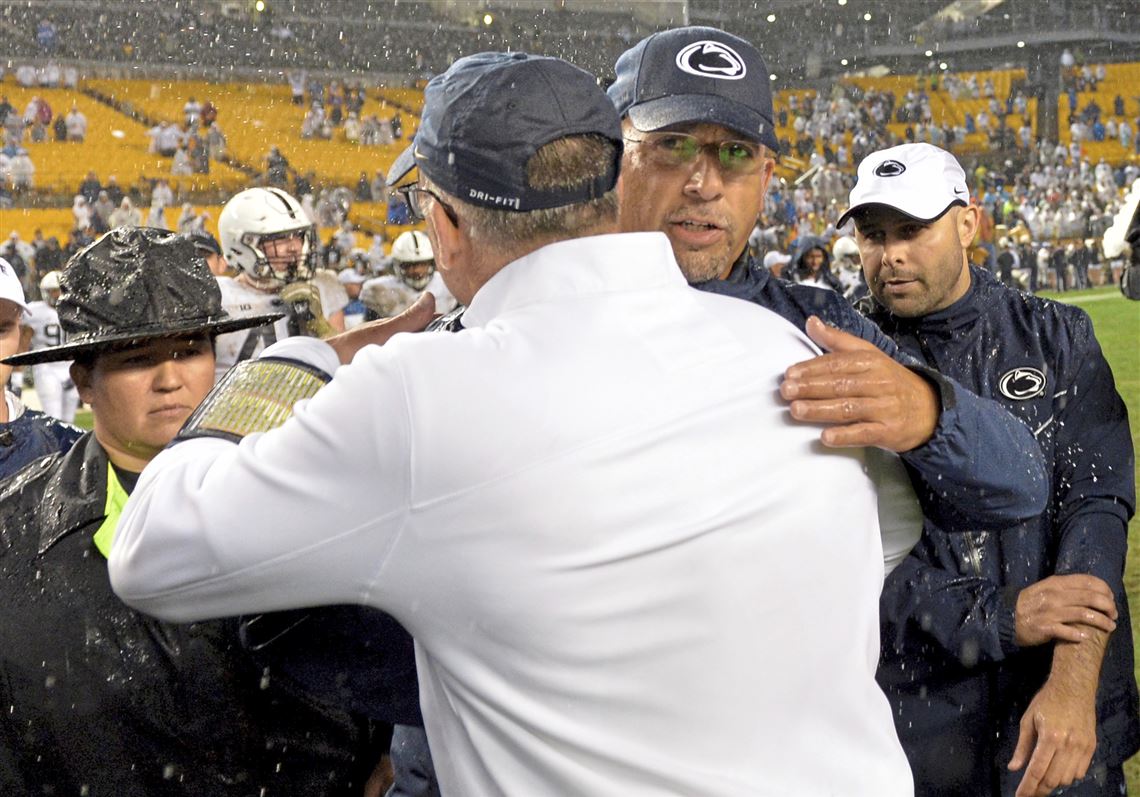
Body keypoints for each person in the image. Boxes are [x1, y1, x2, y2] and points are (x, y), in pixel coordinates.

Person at [111, 52, 917, 796]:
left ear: (446, 224)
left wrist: (298, 364)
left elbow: (152, 552)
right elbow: (882, 534)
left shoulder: (422, 393)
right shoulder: (776, 343)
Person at [607, 26, 1045, 523]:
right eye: (673, 145)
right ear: (615, 157)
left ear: (766, 178)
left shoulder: (818, 327)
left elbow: (1022, 485)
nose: (704, 184)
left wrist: (929, 414)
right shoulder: (536, 319)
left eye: (735, 154)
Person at [0, 227, 381, 795]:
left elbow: (362, 716)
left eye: (189, 350)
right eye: (137, 358)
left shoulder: (310, 501)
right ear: (83, 381)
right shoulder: (13, 529)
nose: (171, 379)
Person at [837, 142, 1138, 797]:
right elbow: (841, 560)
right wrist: (996, 615)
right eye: (872, 234)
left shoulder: (1059, 335)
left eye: (913, 230)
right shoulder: (842, 361)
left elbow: (1096, 506)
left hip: (1055, 715)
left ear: (969, 223)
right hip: (918, 722)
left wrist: (1073, 676)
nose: (890, 255)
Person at [213, 186, 347, 382]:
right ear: (242, 245)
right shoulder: (218, 297)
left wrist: (320, 327)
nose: (294, 247)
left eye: (298, 236)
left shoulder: (323, 286)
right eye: (279, 239)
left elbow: (344, 368)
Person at [0, 257, 81, 479]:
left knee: (64, 424)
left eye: (0, 330)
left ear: (17, 327)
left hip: (66, 366)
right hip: (47, 369)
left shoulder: (51, 438)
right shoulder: (37, 311)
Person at [21, 270, 79, 422]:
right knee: (54, 416)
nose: (57, 294)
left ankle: (67, 447)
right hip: (46, 367)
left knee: (69, 420)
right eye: (53, 291)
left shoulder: (76, 310)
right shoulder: (34, 311)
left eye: (60, 289)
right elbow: (23, 338)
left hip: (70, 366)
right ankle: (54, 446)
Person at [360, 230, 456, 321]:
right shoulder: (379, 290)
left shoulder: (448, 284)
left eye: (422, 264)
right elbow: (370, 331)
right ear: (398, 265)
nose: (417, 271)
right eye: (409, 265)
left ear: (431, 263)